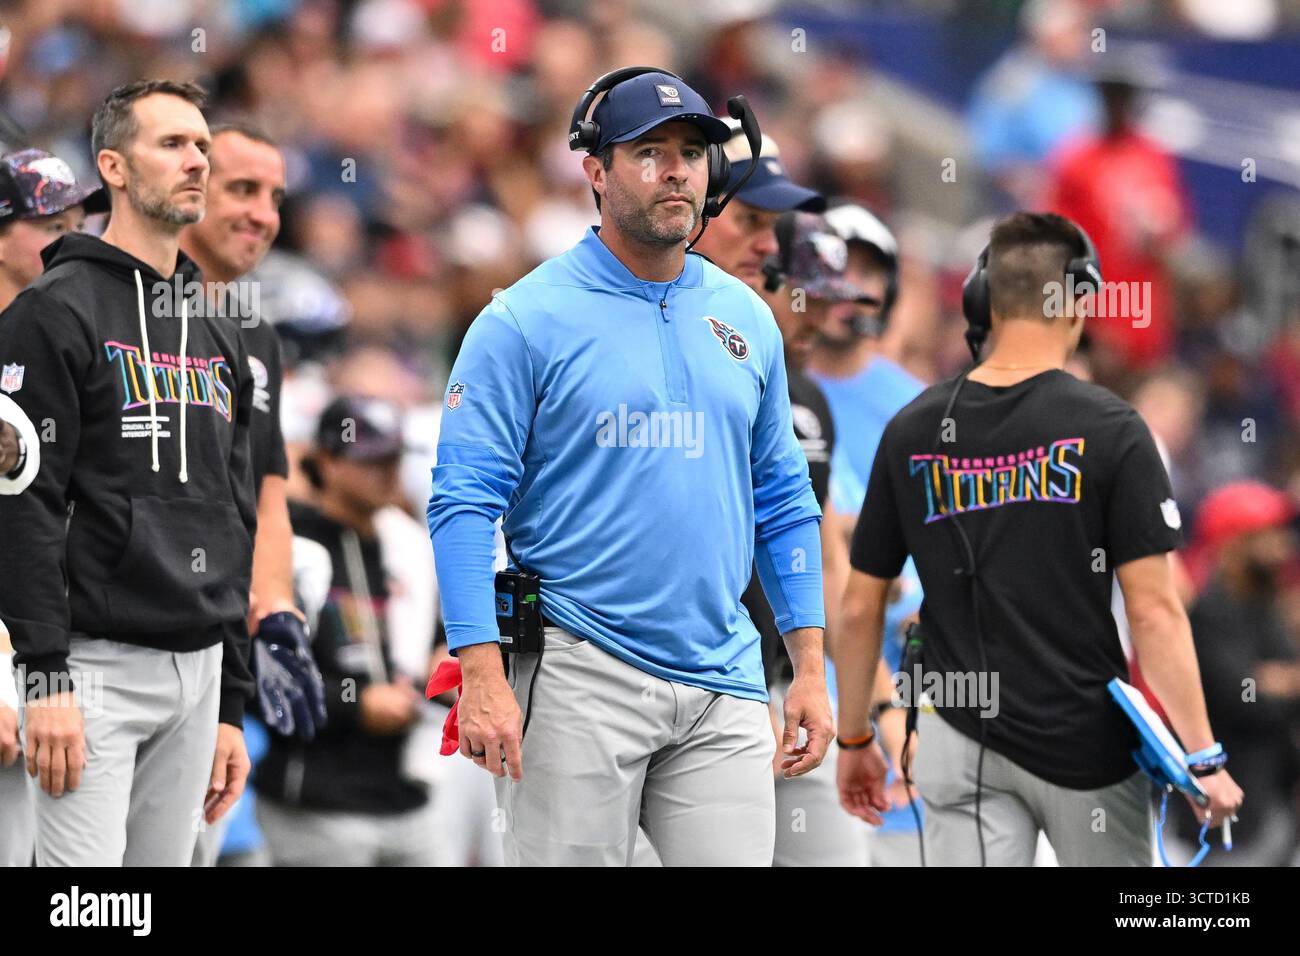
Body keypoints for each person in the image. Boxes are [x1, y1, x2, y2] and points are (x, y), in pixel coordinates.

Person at [427, 67, 831, 866]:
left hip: (725, 674)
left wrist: (810, 665)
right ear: (595, 170)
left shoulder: (746, 315)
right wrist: (479, 668)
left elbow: (783, 500)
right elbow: (464, 504)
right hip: (581, 666)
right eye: (648, 151)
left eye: (691, 151)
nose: (677, 169)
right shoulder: (521, 319)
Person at [836, 211, 1243, 866]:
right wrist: (1202, 755)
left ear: (981, 302)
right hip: (1084, 744)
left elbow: (858, 607)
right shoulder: (1113, 428)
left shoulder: (911, 429)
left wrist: (856, 739)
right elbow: (1155, 612)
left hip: (956, 739)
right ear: (1078, 299)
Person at [0, 79, 258, 866]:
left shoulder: (219, 323)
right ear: (112, 165)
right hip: (91, 666)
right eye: (172, 144)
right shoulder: (50, 311)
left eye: (203, 147)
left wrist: (231, 706)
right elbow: (21, 502)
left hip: (199, 666)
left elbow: (235, 510)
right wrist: (43, 676)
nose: (196, 163)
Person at [178, 121, 326, 865]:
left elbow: (265, 494)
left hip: (216, 659)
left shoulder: (256, 334)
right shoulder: (102, 308)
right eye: (242, 190)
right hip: (105, 645)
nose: (263, 214)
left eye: (273, 196)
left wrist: (278, 614)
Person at [255, 396, 441, 866]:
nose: (389, 470)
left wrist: (446, 671)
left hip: (407, 793)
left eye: (395, 456)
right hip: (316, 803)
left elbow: (436, 647)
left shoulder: (407, 544)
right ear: (327, 462)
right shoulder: (286, 545)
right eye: (372, 458)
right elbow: (259, 680)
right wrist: (357, 705)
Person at [759, 210, 880, 866]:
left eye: (832, 301)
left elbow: (830, 558)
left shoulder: (810, 398)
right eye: (808, 298)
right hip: (708, 683)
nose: (821, 319)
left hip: (792, 684)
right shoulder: (703, 375)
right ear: (761, 277)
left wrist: (872, 706)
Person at [808, 202, 927, 866]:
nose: (849, 285)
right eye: (835, 266)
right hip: (797, 686)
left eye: (867, 271)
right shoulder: (768, 388)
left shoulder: (919, 406)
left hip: (900, 693)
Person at [0, 147, 105, 868]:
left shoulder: (73, 336)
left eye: (78, 218)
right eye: (49, 220)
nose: (71, 235)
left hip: (67, 651)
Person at [1185, 482, 1300, 865]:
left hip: (1274, 796)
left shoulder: (1266, 604)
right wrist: (1274, 682)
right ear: (1235, 544)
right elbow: (1247, 699)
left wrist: (1277, 679)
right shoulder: (1211, 611)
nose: (1282, 547)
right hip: (1229, 815)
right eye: (1268, 536)